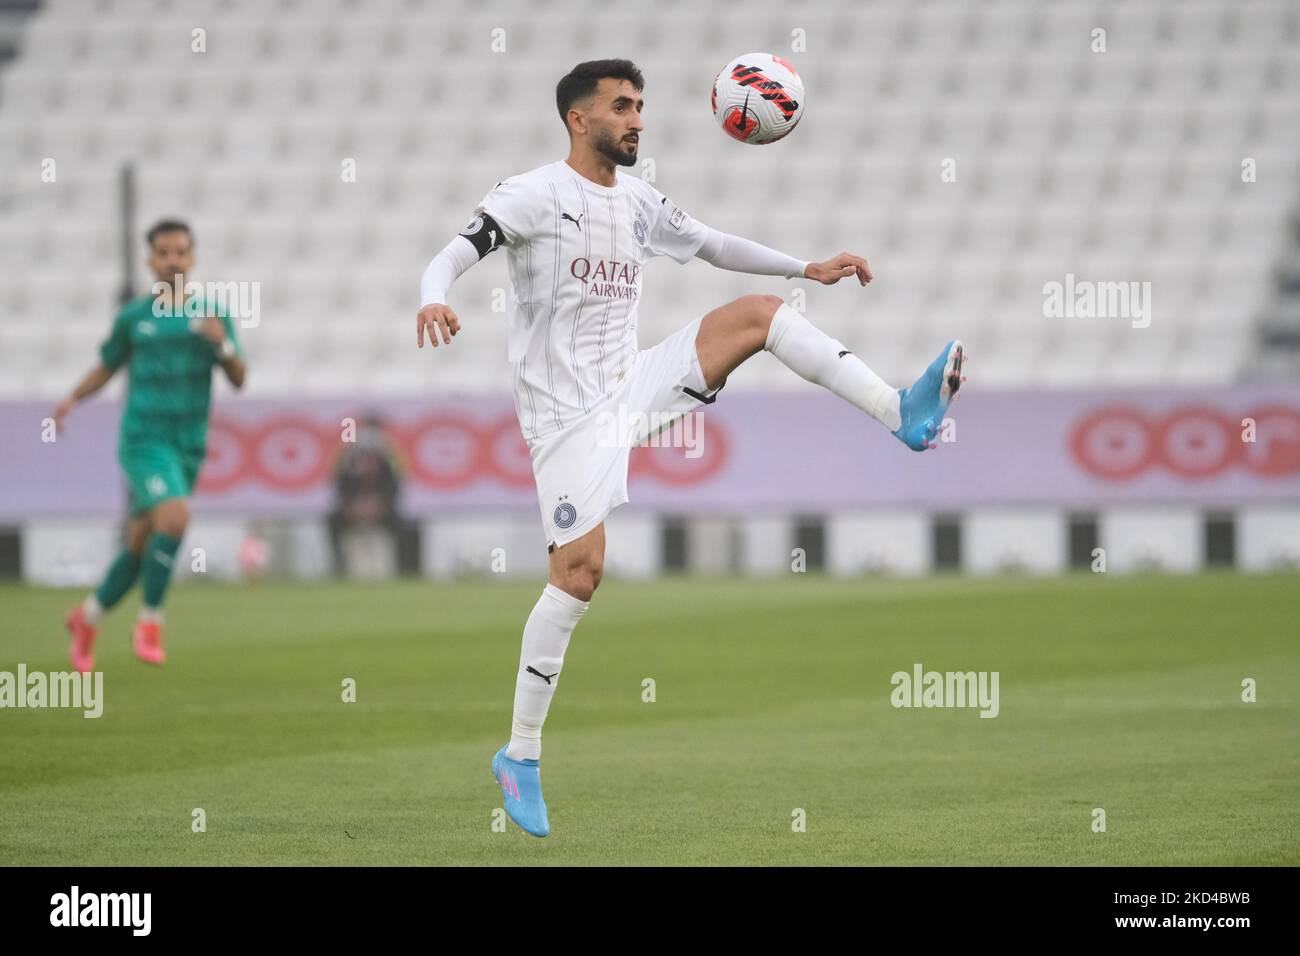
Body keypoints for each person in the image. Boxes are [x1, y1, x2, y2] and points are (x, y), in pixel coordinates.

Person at [415, 60, 965, 837]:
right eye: (621, 106)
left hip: (632, 383)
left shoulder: (638, 199)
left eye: (640, 105)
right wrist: (432, 294)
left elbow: (713, 244)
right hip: (567, 419)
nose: (638, 118)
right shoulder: (533, 193)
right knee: (579, 575)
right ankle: (522, 754)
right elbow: (455, 251)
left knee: (762, 314)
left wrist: (806, 266)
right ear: (579, 119)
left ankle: (899, 411)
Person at [54, 219, 246, 671]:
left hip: (188, 445)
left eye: (181, 252)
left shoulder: (212, 315)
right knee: (176, 518)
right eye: (164, 253)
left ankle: (87, 618)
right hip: (144, 439)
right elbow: (107, 365)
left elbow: (239, 379)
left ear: (193, 257)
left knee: (142, 544)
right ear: (150, 260)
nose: (173, 260)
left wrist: (224, 349)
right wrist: (71, 399)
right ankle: (150, 621)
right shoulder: (134, 318)